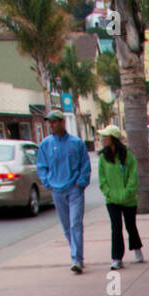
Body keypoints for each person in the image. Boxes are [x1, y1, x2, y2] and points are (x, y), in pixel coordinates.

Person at [36, 108, 91, 274]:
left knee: (75, 223)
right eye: (49, 122)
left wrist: (80, 183)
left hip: (74, 189)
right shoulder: (46, 145)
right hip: (57, 190)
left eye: (54, 122)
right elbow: (42, 166)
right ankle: (75, 253)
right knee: (67, 226)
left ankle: (77, 259)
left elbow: (85, 165)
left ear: (62, 122)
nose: (51, 125)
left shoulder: (76, 143)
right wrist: (48, 183)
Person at [97, 125, 144, 270]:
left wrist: (128, 192)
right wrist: (108, 192)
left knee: (130, 226)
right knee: (116, 227)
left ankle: (137, 248)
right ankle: (117, 258)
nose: (103, 139)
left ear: (113, 139)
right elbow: (102, 178)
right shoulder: (103, 158)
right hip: (112, 200)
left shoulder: (128, 156)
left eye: (105, 136)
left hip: (128, 200)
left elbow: (133, 176)